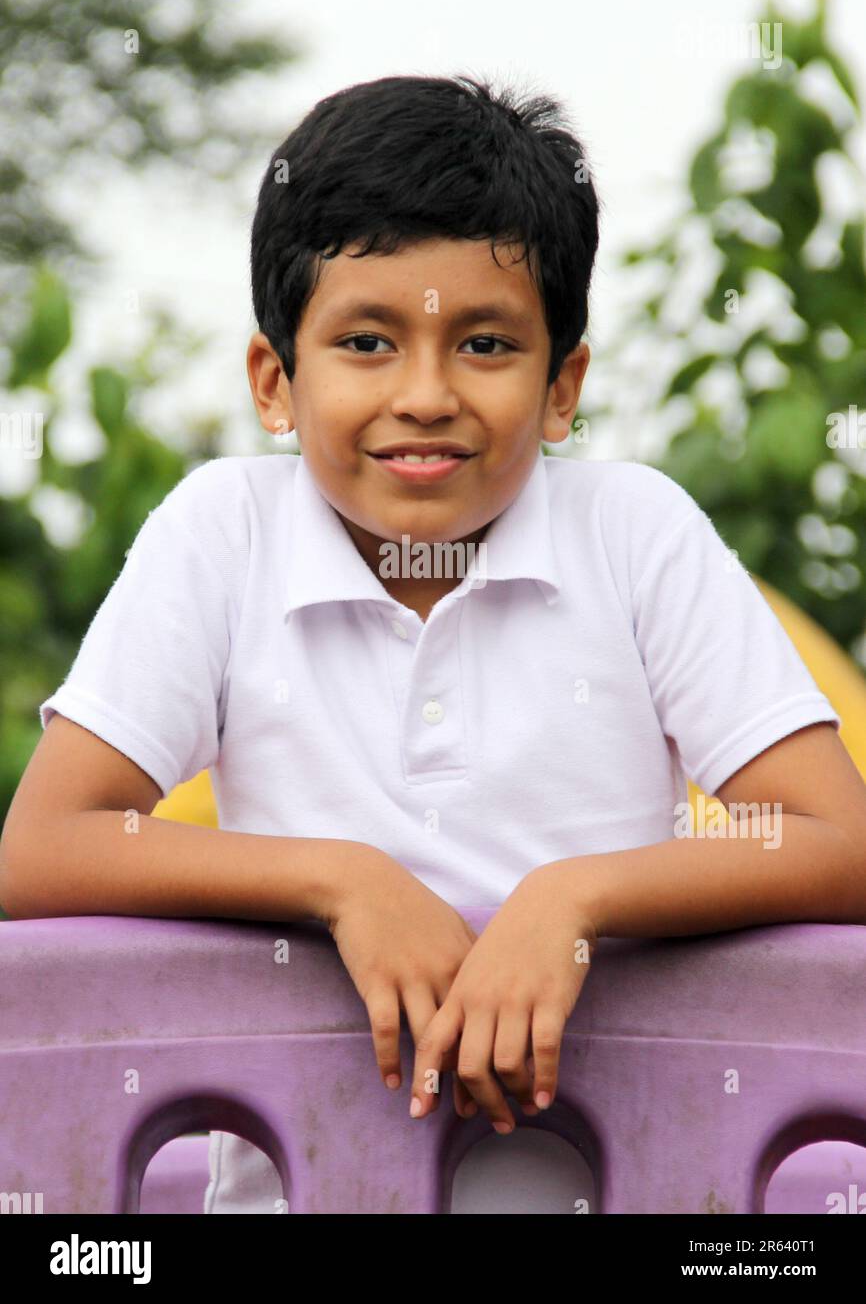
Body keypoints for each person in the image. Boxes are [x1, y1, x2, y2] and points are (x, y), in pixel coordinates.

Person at [3, 74, 865, 1215]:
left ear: (561, 388)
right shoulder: (224, 534)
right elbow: (42, 851)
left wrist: (569, 902)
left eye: (484, 343)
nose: (423, 394)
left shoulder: (635, 532)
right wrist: (342, 882)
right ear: (276, 380)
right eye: (365, 340)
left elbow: (835, 841)